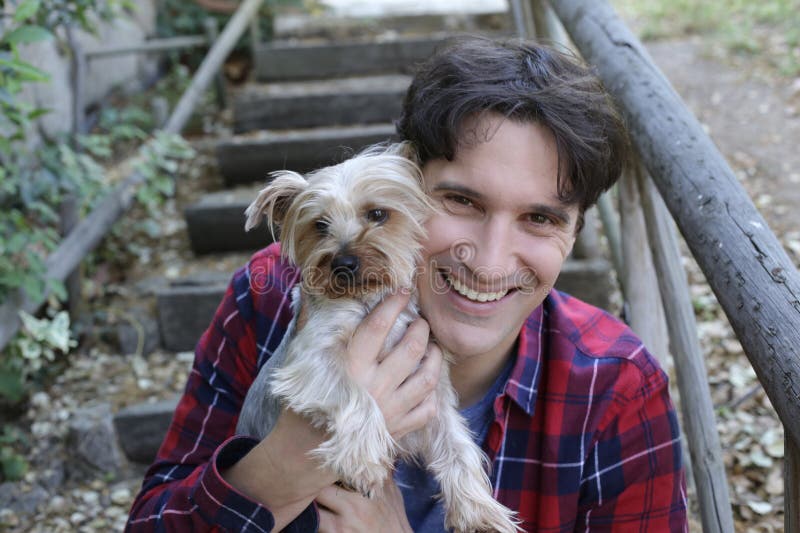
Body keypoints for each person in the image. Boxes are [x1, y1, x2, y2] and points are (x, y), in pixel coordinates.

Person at [127, 37, 687, 532]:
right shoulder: (270, 293)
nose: (489, 263)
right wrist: (285, 467)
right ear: (407, 182)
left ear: (577, 231)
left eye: (540, 218)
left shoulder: (616, 392)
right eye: (461, 201)